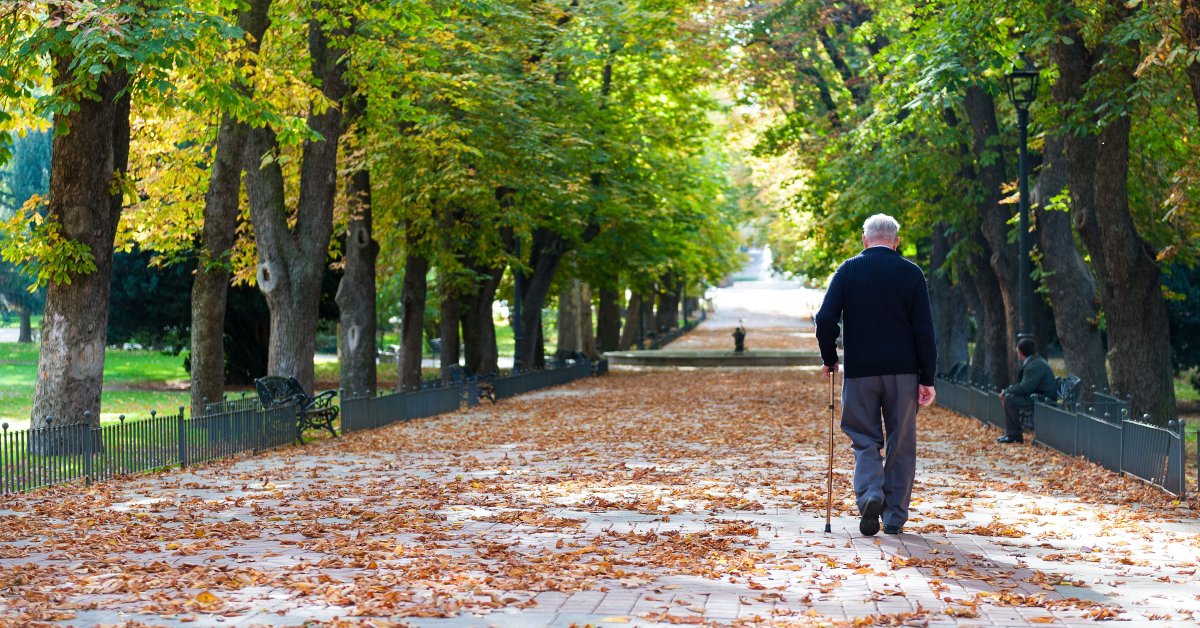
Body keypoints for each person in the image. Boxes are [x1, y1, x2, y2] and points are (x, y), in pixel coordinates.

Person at [815, 214, 937, 537]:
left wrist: (830, 357)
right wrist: (928, 377)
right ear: (896, 242)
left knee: (863, 437)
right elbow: (924, 330)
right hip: (903, 373)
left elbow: (825, 319)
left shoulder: (848, 270)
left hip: (860, 374)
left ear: (864, 239)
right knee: (902, 441)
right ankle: (895, 515)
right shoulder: (911, 274)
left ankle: (871, 492)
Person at [997, 337, 1056, 444]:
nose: (1016, 353)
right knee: (1009, 396)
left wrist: (1006, 391)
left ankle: (1014, 435)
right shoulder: (1035, 361)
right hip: (1039, 396)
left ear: (1021, 353)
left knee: (1009, 398)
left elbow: (1025, 387)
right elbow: (1025, 386)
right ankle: (1013, 434)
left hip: (1041, 399)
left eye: (1017, 351)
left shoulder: (1034, 366)